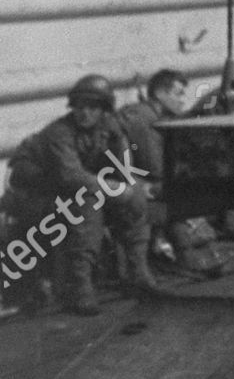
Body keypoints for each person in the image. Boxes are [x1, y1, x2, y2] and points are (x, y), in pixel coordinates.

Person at [4, 75, 162, 315]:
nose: (84, 113)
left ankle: (138, 273)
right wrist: (117, 189)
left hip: (68, 190)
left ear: (104, 110)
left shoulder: (108, 129)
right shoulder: (59, 133)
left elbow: (122, 171)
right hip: (31, 195)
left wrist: (132, 187)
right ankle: (80, 286)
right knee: (88, 203)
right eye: (79, 107)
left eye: (92, 107)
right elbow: (72, 177)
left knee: (133, 198)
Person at [117, 69, 225, 279]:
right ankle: (186, 254)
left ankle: (188, 252)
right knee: (173, 188)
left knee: (175, 185)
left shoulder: (151, 115)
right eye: (178, 93)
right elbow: (155, 167)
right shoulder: (144, 118)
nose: (182, 100)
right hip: (116, 182)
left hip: (123, 178)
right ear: (159, 93)